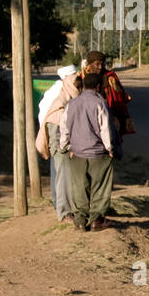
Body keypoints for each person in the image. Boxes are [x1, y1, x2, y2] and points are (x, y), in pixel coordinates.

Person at [59, 72, 116, 231]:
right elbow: (105, 129)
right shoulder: (100, 103)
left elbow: (64, 128)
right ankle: (97, 220)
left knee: (79, 188)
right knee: (100, 187)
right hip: (98, 154)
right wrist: (110, 148)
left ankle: (80, 221)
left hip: (77, 154)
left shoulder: (71, 104)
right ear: (98, 87)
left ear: (83, 86)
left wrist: (65, 146)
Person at [37, 64, 78, 222]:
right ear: (69, 77)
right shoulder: (61, 92)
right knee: (63, 171)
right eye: (75, 76)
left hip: (54, 132)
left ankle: (58, 204)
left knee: (58, 170)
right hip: (56, 133)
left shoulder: (58, 89)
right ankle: (64, 211)